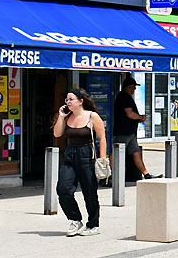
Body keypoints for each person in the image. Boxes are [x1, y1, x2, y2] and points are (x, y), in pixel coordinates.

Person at [53, 89, 106, 236]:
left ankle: (93, 224)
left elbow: (102, 138)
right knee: (63, 189)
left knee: (89, 192)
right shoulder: (67, 116)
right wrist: (61, 117)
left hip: (86, 154)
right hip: (70, 155)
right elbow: (57, 134)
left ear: (80, 101)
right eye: (67, 100)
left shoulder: (92, 116)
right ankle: (75, 219)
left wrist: (102, 159)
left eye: (71, 99)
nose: (68, 102)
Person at [113, 77, 158, 179]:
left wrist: (138, 118)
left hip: (130, 132)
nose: (134, 90)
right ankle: (109, 176)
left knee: (136, 152)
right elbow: (129, 113)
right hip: (124, 131)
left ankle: (146, 174)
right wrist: (140, 117)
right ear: (129, 87)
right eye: (133, 87)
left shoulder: (124, 97)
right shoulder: (124, 97)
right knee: (116, 152)